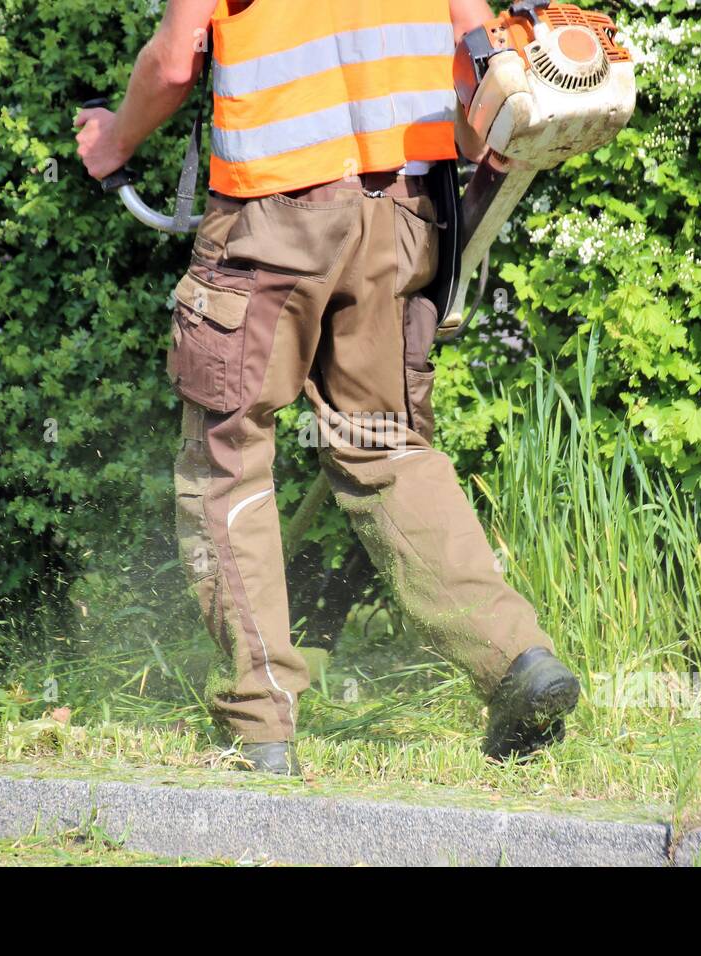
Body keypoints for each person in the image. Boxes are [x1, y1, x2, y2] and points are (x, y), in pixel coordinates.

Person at [75, 0, 579, 775]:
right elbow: (482, 65)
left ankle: (261, 720)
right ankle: (518, 661)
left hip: (270, 217)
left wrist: (112, 139)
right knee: (388, 450)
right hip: (402, 215)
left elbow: (176, 62)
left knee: (227, 457)